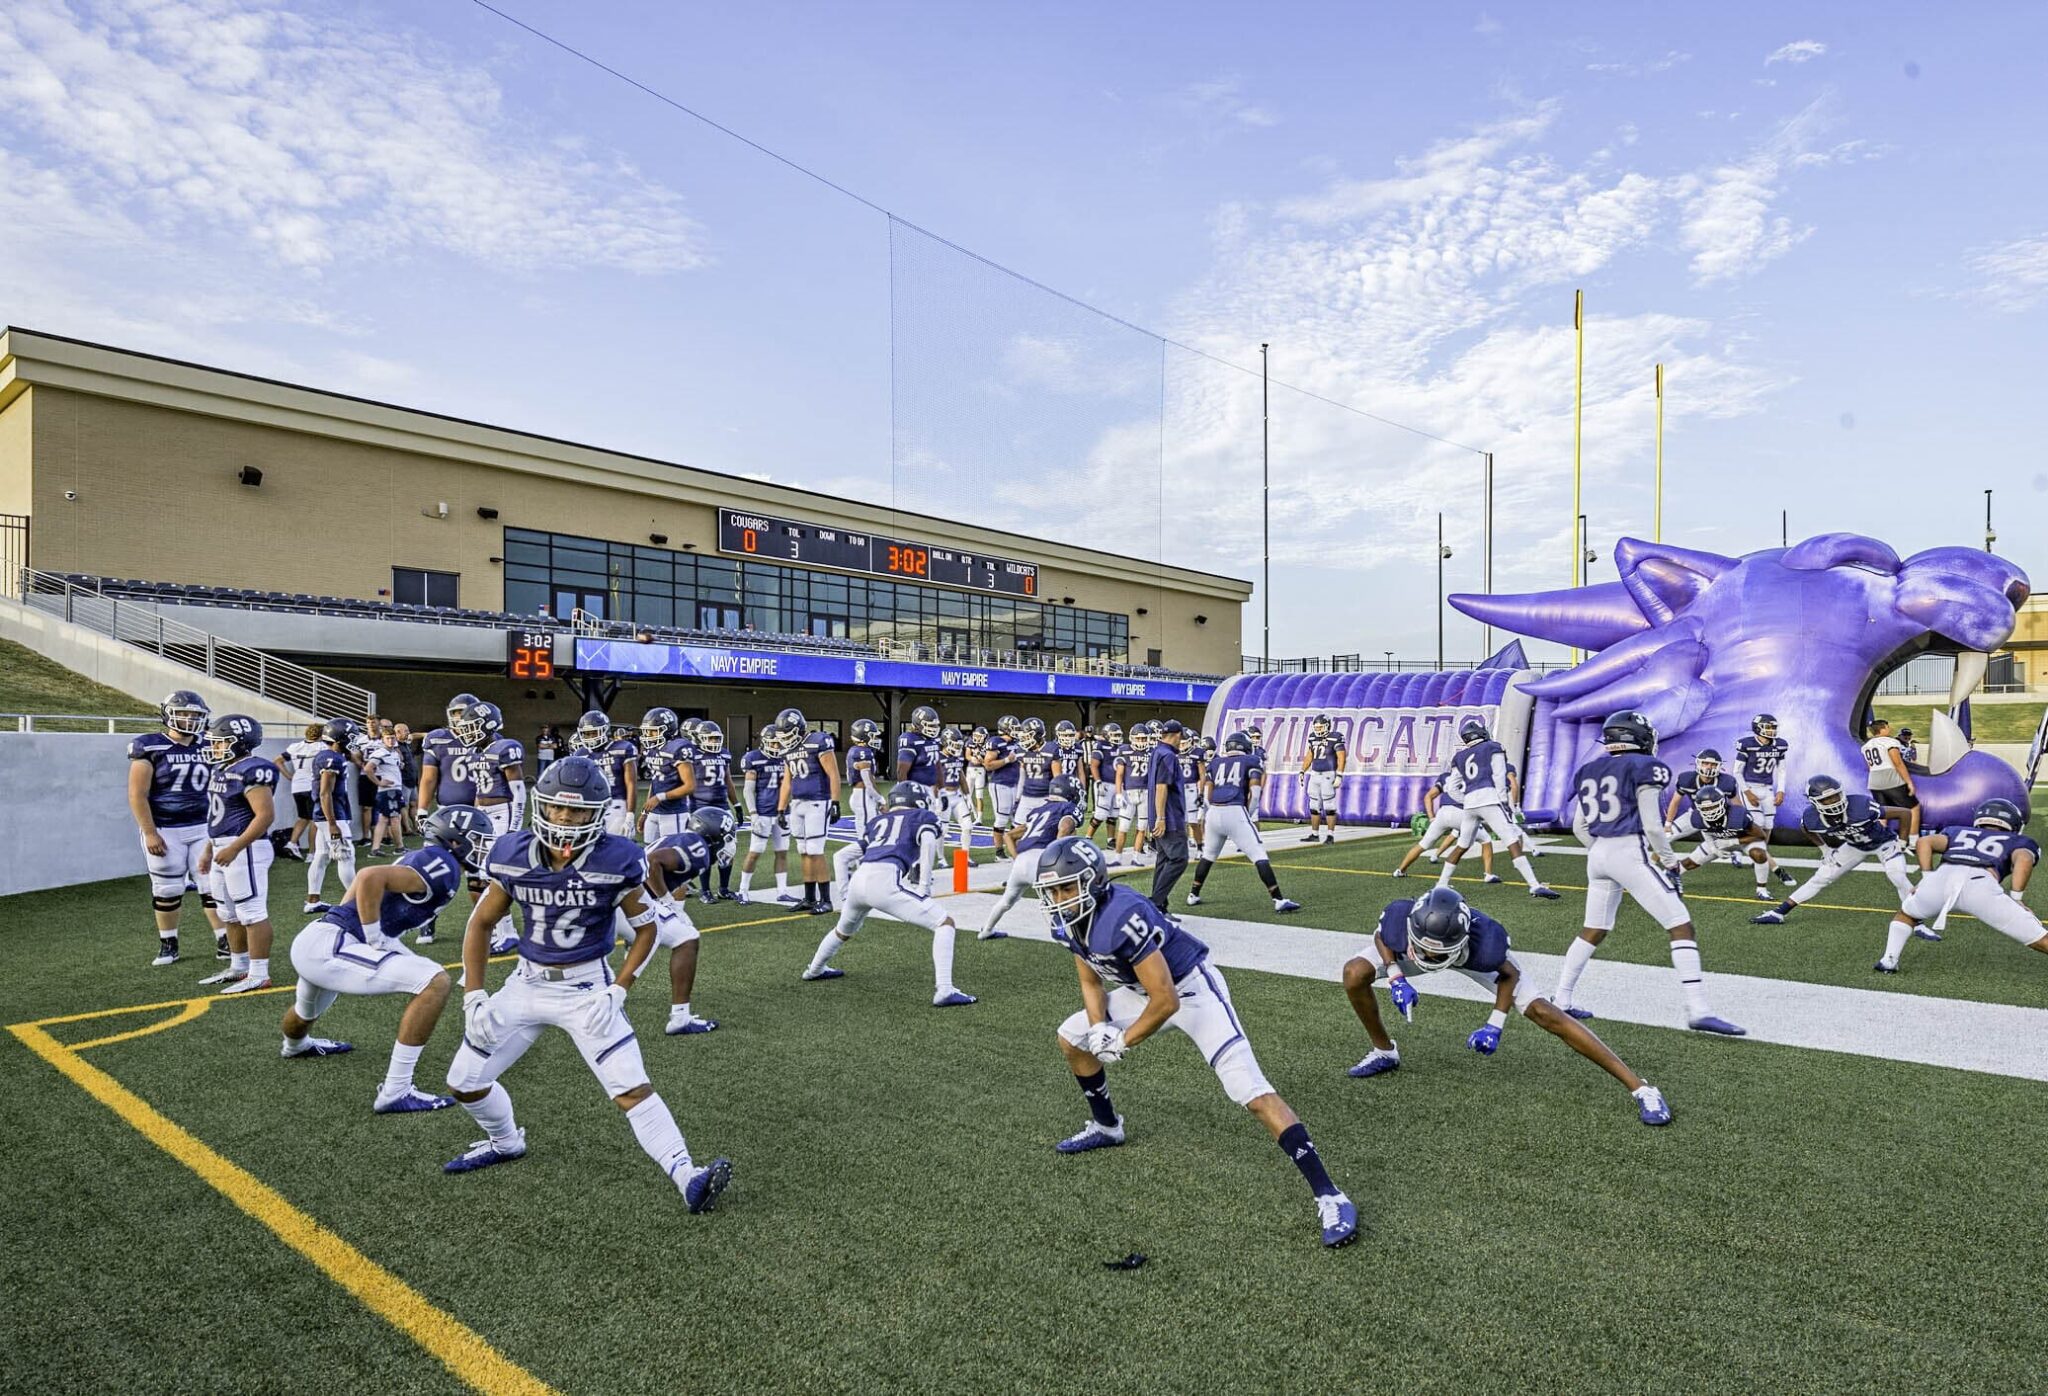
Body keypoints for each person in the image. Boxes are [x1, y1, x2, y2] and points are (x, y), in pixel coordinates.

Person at [1034, 835, 1358, 1249]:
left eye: (1066, 887)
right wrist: (1099, 1027)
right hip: (1143, 990)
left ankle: (1330, 1194)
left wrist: (1124, 1040)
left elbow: (1166, 999)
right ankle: (1107, 1125)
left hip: (1191, 990)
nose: (1059, 898)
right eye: (1053, 890)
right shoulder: (1070, 920)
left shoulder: (1120, 915)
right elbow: (1089, 977)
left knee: (1249, 1090)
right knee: (1072, 1037)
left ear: (1093, 882)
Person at [442, 755, 733, 1210]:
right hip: (524, 985)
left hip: (585, 989)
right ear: (541, 805)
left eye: (575, 811)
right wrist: (473, 994)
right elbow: (480, 925)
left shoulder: (618, 859)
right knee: (463, 1081)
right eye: (557, 808)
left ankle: (687, 1175)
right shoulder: (512, 854)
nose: (563, 818)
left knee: (631, 1088)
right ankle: (505, 1142)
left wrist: (620, 988)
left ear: (596, 814)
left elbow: (648, 929)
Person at [1339, 888, 1671, 1125]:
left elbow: (1507, 974)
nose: (1426, 959)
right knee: (1354, 973)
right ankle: (1385, 1052)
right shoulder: (1401, 917)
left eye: (1434, 955)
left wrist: (1494, 1024)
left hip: (1470, 958)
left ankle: (1641, 1088)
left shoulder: (1486, 944)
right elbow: (1384, 935)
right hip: (1410, 954)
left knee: (1544, 1011)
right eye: (1422, 949)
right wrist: (1396, 976)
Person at [278, 805, 497, 1112]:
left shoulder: (433, 858)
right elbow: (369, 876)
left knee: (305, 1012)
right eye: (479, 839)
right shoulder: (442, 862)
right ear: (455, 839)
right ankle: (396, 1090)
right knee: (435, 981)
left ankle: (295, 1045)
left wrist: (347, 919)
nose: (484, 847)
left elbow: (366, 884)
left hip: (324, 938)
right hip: (335, 943)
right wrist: (372, 937)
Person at [1547, 710, 1745, 1036]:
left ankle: (1563, 999)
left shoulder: (1589, 770)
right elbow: (1653, 825)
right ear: (1638, 737)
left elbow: (1579, 825)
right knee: (1680, 925)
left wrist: (1601, 852)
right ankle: (1699, 1009)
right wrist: (1669, 862)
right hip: (1628, 851)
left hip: (1597, 855)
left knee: (1593, 929)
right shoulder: (1644, 767)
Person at [801, 784, 976, 1005]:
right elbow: (929, 843)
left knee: (842, 931)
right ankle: (945, 989)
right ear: (918, 800)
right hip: (884, 879)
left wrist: (845, 895)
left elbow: (841, 856)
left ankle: (814, 969)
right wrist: (924, 887)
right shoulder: (922, 816)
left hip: (860, 878)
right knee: (945, 923)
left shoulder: (877, 822)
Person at [1876, 798, 2042, 973]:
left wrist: (1927, 878)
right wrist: (2017, 899)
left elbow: (1924, 842)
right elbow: (2024, 859)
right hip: (1981, 885)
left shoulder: (1957, 831)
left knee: (1907, 914)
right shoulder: (2019, 841)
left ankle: (1888, 961)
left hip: (1942, 878)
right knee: (2038, 937)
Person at [128, 689, 226, 966]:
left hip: (203, 826)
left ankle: (223, 938)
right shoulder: (149, 746)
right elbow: (137, 794)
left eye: (195, 715)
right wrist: (149, 831)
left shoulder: (210, 744)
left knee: (212, 885)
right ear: (168, 714)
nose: (189, 719)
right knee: (167, 889)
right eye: (183, 713)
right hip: (165, 828)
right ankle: (168, 942)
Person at [1752, 775, 1923, 928]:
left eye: (1835, 796)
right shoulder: (1812, 817)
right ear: (1815, 802)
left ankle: (1916, 920)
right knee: (1820, 878)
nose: (1833, 801)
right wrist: (1825, 849)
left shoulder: (1860, 805)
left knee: (1897, 875)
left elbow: (1904, 813)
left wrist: (1901, 842)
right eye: (1826, 799)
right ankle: (1779, 913)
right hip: (1854, 846)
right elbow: (1806, 829)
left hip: (1884, 842)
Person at [196, 714, 280, 994]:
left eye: (220, 742)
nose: (215, 747)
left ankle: (259, 973)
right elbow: (219, 815)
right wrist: (210, 848)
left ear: (239, 743)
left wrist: (235, 847)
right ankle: (239, 966)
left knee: (251, 911)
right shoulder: (223, 768)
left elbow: (265, 816)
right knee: (228, 913)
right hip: (225, 847)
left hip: (246, 848)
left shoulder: (254, 769)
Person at [1433, 719, 1556, 898]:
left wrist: (1466, 799)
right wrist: (1503, 799)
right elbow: (1499, 775)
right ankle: (1534, 885)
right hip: (1489, 799)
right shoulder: (1493, 747)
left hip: (1470, 805)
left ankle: (1441, 884)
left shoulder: (1459, 757)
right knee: (1512, 840)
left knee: (1462, 845)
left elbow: (1451, 787)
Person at [1184, 732, 1300, 911]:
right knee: (1258, 854)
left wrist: (1209, 810)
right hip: (1235, 810)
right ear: (1244, 746)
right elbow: (1255, 792)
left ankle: (1193, 894)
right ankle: (1278, 900)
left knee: (1208, 855)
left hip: (1214, 812)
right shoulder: (1252, 760)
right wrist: (1247, 812)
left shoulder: (1215, 762)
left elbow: (1207, 793)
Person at [642, 807, 729, 1036]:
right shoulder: (699, 848)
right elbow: (653, 863)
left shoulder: (683, 838)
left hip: (626, 896)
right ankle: (680, 1018)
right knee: (687, 939)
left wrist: (676, 908)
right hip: (632, 899)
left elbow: (675, 873)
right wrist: (666, 902)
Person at [978, 774, 1081, 939]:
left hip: (1021, 862)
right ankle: (1061, 934)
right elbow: (1065, 827)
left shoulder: (1038, 810)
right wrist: (1055, 855)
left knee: (1006, 901)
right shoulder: (1066, 808)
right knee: (1057, 899)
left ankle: (986, 930)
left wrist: (1017, 858)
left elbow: (1009, 836)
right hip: (1040, 859)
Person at [776, 707, 841, 914]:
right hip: (797, 803)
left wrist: (836, 801)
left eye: (789, 734)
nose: (786, 739)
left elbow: (833, 774)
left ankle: (826, 900)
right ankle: (810, 898)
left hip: (817, 803)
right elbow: (787, 781)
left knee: (815, 851)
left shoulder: (818, 741)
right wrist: (780, 808)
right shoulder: (789, 749)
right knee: (803, 851)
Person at [303, 719, 364, 914]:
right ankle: (357, 902)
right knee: (346, 856)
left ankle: (313, 900)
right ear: (339, 739)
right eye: (351, 737)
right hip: (332, 816)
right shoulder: (331, 758)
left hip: (329, 814)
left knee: (321, 856)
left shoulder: (332, 755)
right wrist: (332, 824)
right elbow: (324, 793)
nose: (353, 741)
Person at [737, 723, 794, 904]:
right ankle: (742, 890)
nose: (777, 747)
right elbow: (748, 790)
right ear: (764, 742)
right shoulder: (754, 758)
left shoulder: (787, 758)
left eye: (779, 743)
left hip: (784, 812)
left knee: (782, 851)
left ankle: (782, 890)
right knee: (755, 851)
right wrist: (753, 814)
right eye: (773, 743)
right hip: (763, 812)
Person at [1734, 714, 1794, 877]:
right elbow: (1737, 772)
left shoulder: (1779, 745)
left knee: (1768, 825)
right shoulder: (1747, 745)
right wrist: (1747, 792)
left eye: (1773, 727)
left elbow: (1781, 770)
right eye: (1768, 727)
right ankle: (1741, 850)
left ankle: (1761, 854)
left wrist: (1781, 790)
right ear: (1757, 728)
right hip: (1749, 786)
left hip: (1767, 788)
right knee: (1757, 822)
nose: (1772, 731)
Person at [1392, 764, 1466, 878]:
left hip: (1443, 814)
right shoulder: (1471, 777)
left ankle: (1400, 870)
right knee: (1485, 840)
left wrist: (1432, 817)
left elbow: (1428, 796)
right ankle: (1488, 873)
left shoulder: (1445, 777)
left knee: (1424, 844)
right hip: (1462, 813)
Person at [1148, 720, 1191, 910]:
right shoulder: (1168, 756)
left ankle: (1160, 907)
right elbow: (1161, 787)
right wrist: (1161, 817)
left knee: (1164, 860)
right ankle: (1155, 903)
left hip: (1159, 815)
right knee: (1179, 859)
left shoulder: (1157, 752)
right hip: (1170, 817)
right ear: (1177, 735)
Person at [638, 706, 695, 842]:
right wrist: (645, 812)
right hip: (654, 813)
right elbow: (655, 781)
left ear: (667, 731)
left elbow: (690, 786)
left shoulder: (678, 748)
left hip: (674, 813)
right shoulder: (651, 750)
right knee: (649, 856)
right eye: (647, 732)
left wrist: (659, 797)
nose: (648, 736)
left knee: (672, 857)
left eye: (652, 732)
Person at [1860, 717, 1920, 842]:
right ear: (1883, 729)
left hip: (1874, 780)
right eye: (1888, 726)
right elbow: (1898, 763)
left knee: (1883, 812)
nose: (1890, 728)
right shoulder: (1890, 742)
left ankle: (1881, 841)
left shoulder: (1866, 746)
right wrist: (1909, 782)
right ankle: (1913, 840)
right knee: (1914, 807)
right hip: (1889, 777)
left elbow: (1870, 765)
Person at [277, 721, 325, 860]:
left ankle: (292, 844)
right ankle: (312, 853)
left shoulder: (295, 746)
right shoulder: (321, 747)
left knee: (303, 817)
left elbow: (277, 760)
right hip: (312, 785)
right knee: (315, 821)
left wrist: (289, 776)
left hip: (297, 786)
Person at [1299, 713, 1347, 844]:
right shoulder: (1312, 737)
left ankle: (1330, 836)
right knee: (1314, 805)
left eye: (1321, 727)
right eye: (1317, 727)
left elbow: (1341, 757)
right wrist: (1302, 770)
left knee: (1329, 805)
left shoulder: (1335, 737)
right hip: (1315, 774)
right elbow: (1310, 755)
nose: (1318, 730)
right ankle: (1315, 834)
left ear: (1327, 726)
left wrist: (1339, 775)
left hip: (1328, 774)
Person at [1112, 722, 1154, 867]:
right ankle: (1117, 857)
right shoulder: (1124, 750)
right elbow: (1119, 774)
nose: (1141, 741)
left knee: (1142, 827)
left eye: (1143, 739)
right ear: (1131, 738)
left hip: (1146, 793)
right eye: (1138, 738)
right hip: (1129, 793)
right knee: (1123, 827)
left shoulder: (1152, 752)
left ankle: (1136, 857)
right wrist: (1118, 793)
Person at [985, 715, 1024, 858]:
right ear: (1005, 728)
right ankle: (999, 852)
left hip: (1015, 784)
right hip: (1000, 784)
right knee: (1002, 819)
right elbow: (988, 765)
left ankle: (1016, 850)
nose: (1017, 731)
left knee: (1018, 819)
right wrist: (1007, 759)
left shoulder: (1017, 742)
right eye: (1014, 728)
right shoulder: (996, 742)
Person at [364, 728, 407, 855]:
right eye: (388, 738)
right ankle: (399, 847)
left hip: (393, 789)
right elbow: (368, 769)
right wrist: (378, 782)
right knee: (395, 818)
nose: (391, 740)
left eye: (393, 738)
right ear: (382, 739)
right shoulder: (380, 753)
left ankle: (375, 849)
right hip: (389, 791)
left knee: (383, 819)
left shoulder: (393, 753)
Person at [845, 717, 885, 832]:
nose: (876, 738)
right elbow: (868, 781)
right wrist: (881, 799)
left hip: (860, 795)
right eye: (873, 735)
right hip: (863, 795)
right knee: (867, 835)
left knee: (869, 832)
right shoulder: (863, 752)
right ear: (864, 736)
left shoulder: (856, 750)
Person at [1084, 721, 1122, 841]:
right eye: (1114, 735)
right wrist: (1098, 782)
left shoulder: (1120, 747)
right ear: (1106, 735)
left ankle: (1111, 840)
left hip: (1117, 785)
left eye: (1118, 735)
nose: (1117, 737)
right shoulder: (1100, 745)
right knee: (1100, 814)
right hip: (1104, 783)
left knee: (1113, 815)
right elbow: (1093, 765)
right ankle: (1088, 838)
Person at [896, 705, 943, 788]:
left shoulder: (933, 740)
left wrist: (942, 789)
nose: (934, 728)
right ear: (917, 724)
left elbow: (938, 767)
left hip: (931, 789)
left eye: (935, 725)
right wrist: (905, 791)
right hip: (915, 789)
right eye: (930, 725)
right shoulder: (909, 739)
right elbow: (901, 771)